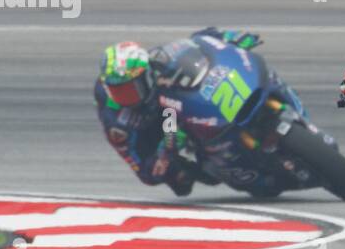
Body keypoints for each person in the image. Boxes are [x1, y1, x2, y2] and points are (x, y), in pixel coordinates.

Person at [94, 29, 262, 196]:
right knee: (180, 182)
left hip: (171, 107)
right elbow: (142, 170)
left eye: (130, 89)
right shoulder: (116, 124)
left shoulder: (157, 60)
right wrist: (164, 155)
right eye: (118, 92)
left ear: (146, 76)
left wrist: (229, 38)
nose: (125, 97)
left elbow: (199, 40)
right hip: (156, 131)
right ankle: (208, 161)